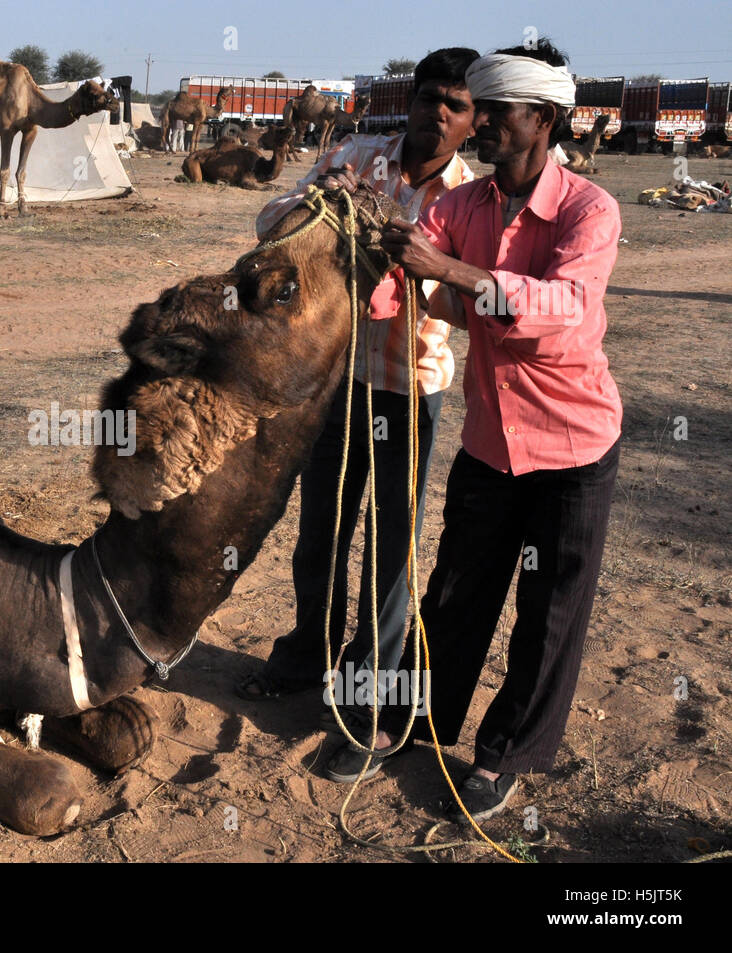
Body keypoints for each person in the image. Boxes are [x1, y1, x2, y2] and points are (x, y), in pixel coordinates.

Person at [332, 38, 623, 823]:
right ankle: (407, 721)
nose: (480, 121)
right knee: (456, 594)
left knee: (549, 613)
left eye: (497, 109)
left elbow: (563, 313)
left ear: (547, 119)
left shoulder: (588, 210)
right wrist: (388, 266)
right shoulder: (459, 207)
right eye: (478, 106)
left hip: (573, 448)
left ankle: (502, 757)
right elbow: (453, 303)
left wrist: (447, 271)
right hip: (491, 446)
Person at [239, 49, 479, 738]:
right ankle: (305, 655)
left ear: (471, 122)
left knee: (392, 542)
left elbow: (467, 305)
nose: (439, 111)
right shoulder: (357, 155)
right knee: (320, 532)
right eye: (431, 96)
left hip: (410, 386)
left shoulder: (468, 197)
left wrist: (424, 271)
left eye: (455, 105)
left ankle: (368, 679)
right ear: (409, 99)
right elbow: (268, 224)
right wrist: (323, 197)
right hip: (337, 380)